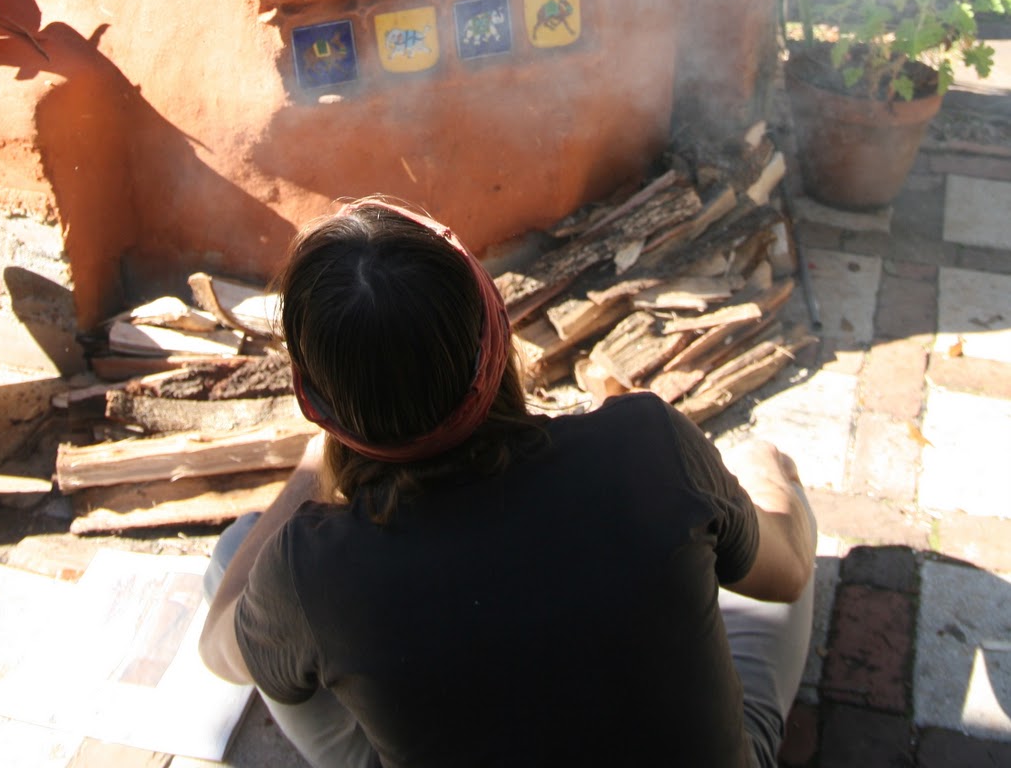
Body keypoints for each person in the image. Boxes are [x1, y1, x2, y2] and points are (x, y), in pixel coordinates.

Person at [200, 198, 816, 768]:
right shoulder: (648, 443)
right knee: (761, 503)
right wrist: (769, 472)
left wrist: (312, 469)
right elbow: (785, 573)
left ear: (318, 400)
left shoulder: (310, 572)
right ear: (493, 326)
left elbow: (217, 645)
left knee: (239, 558)